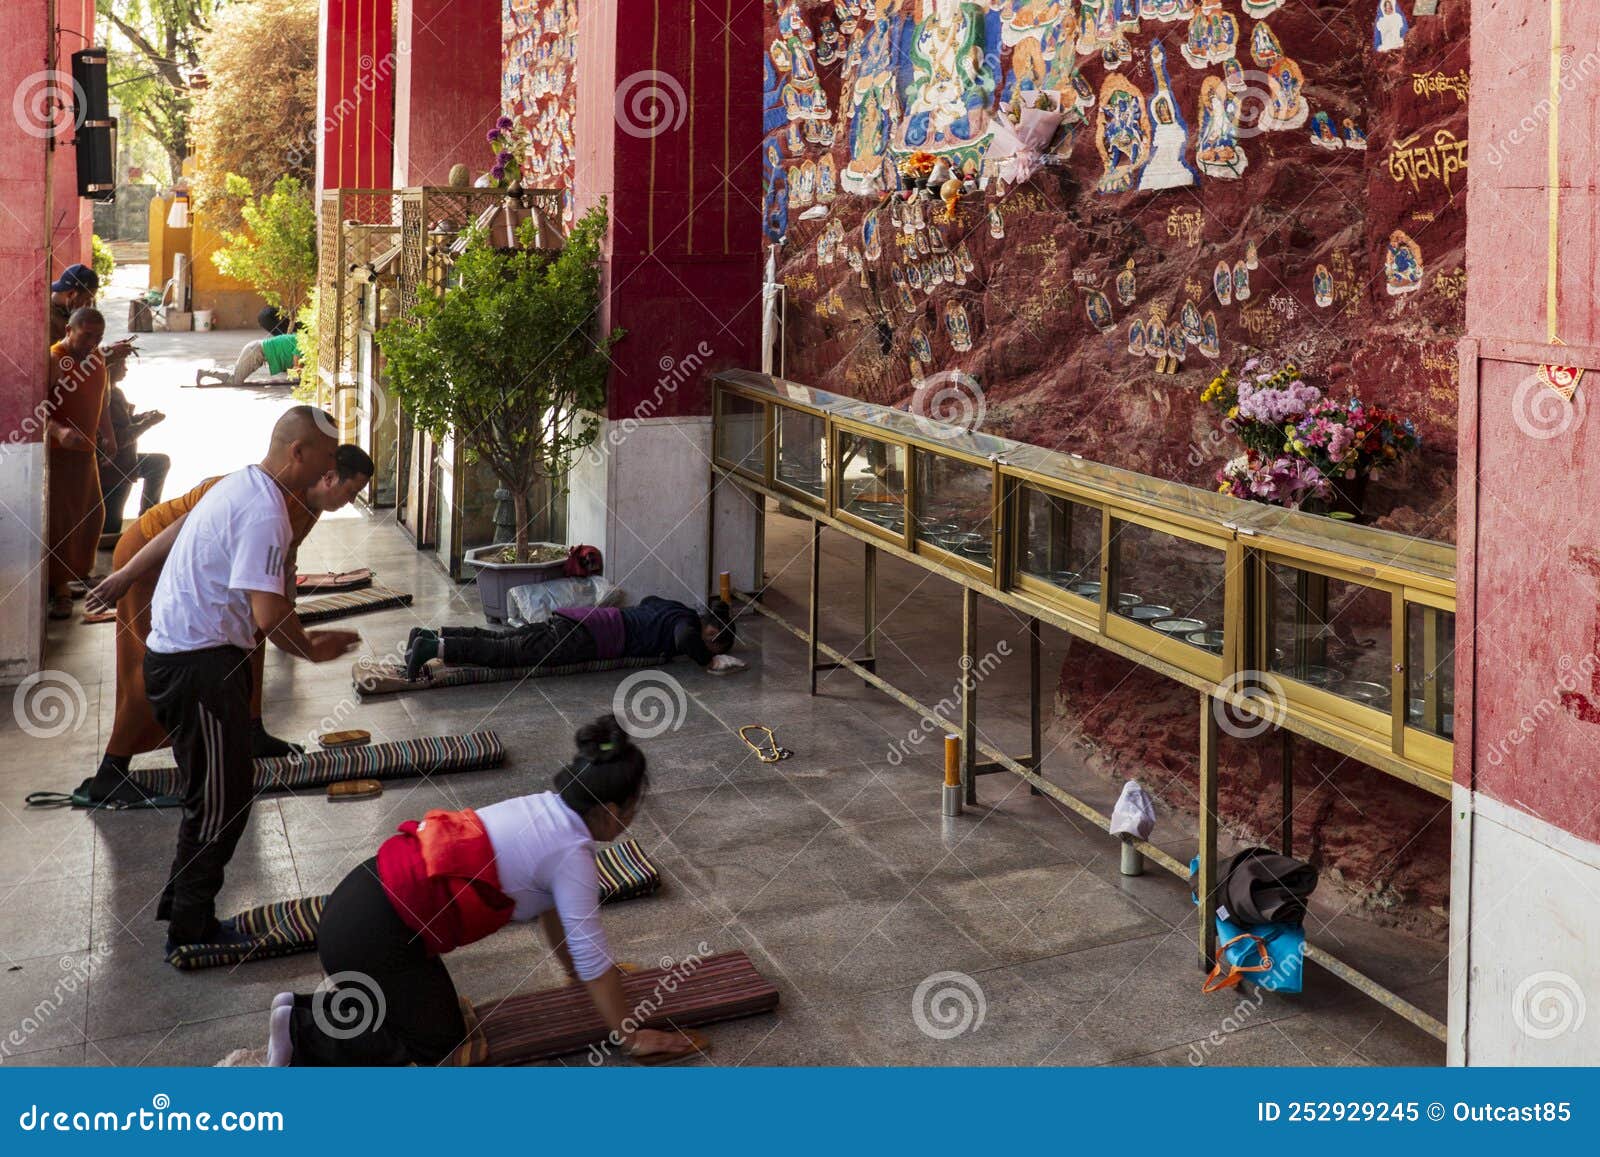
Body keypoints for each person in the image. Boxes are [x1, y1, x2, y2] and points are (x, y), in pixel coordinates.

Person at [267, 715, 697, 1066]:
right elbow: (591, 953)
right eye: (634, 808)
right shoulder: (571, 854)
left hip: (359, 905)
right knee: (445, 1048)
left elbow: (558, 920)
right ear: (609, 810)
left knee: (432, 1016)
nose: (634, 817)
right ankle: (304, 1034)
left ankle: (298, 1009)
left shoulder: (545, 810)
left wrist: (574, 976)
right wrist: (631, 1035)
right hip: (375, 938)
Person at [142, 407, 361, 950]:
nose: (329, 469)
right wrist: (310, 647)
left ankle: (180, 904)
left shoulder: (242, 483)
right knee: (224, 799)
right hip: (197, 666)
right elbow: (269, 614)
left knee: (212, 791)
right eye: (327, 457)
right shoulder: (266, 510)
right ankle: (189, 928)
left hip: (198, 658)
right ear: (298, 453)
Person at [82, 445, 376, 805]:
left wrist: (287, 606)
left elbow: (284, 556)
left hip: (199, 559)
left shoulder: (311, 501)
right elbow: (177, 531)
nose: (352, 501)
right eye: (352, 492)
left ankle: (250, 731)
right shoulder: (252, 491)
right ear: (327, 476)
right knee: (151, 662)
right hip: (149, 554)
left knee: (251, 639)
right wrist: (126, 574)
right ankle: (110, 773)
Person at [402, 596, 738, 680]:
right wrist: (710, 660)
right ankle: (433, 648)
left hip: (581, 618)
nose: (705, 644)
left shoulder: (674, 607)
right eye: (712, 642)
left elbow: (648, 601)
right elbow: (684, 642)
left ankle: (431, 634)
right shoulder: (686, 625)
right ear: (710, 631)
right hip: (588, 638)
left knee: (508, 637)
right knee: (510, 652)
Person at [44, 308, 116, 619]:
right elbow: (35, 407)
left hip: (85, 453)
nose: (93, 342)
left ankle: (76, 575)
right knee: (61, 522)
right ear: (69, 331)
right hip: (59, 455)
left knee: (92, 516)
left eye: (98, 337)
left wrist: (108, 434)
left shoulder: (98, 360)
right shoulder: (54, 358)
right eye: (87, 336)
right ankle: (59, 590)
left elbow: (103, 401)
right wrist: (59, 431)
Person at [98, 356, 169, 541]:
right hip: (113, 469)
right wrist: (147, 423)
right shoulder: (105, 397)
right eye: (122, 365)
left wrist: (142, 417)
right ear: (110, 368)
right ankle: (145, 526)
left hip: (126, 462)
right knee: (109, 534)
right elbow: (119, 439)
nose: (126, 369)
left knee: (159, 463)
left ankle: (148, 519)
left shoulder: (116, 391)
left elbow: (123, 424)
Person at [196, 332, 300, 388]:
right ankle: (204, 372)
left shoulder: (302, 338)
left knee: (235, 376)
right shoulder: (304, 342)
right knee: (235, 380)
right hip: (255, 352)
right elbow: (296, 362)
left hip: (256, 351)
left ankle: (230, 370)